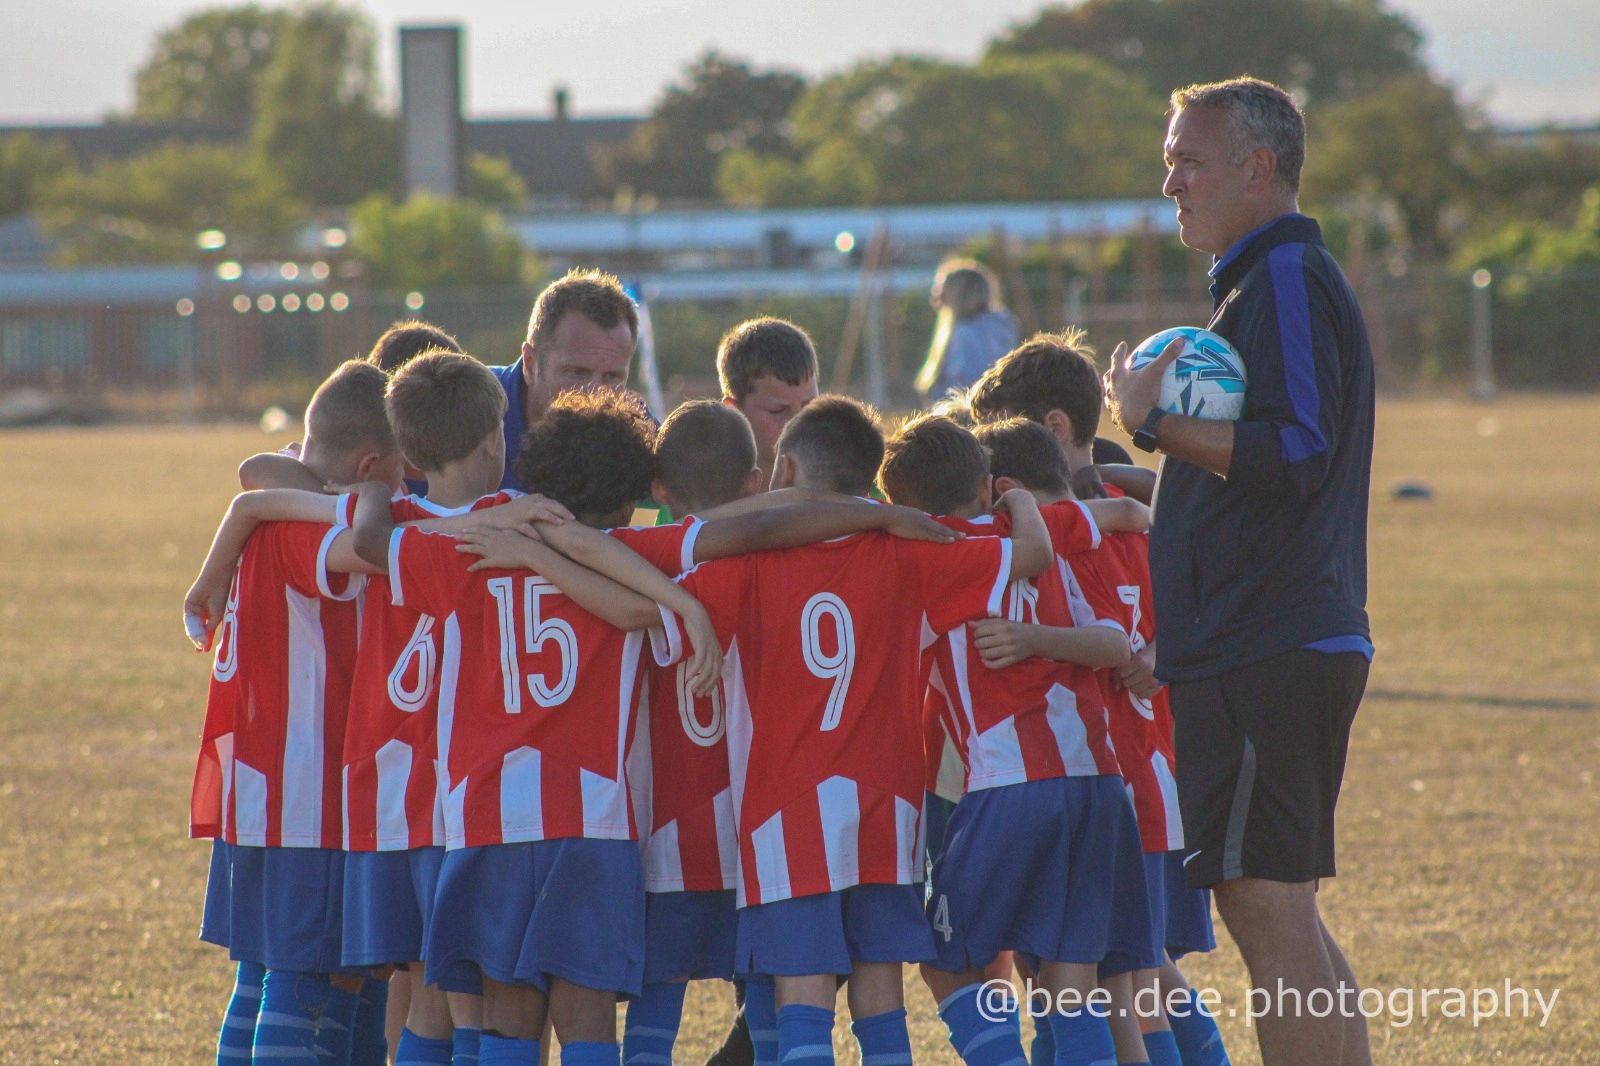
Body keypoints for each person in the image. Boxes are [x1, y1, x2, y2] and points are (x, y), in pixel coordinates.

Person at [1103, 77, 1376, 1066]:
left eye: (1187, 159)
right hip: (1263, 641)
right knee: (1280, 905)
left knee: (1263, 905)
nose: (1168, 179)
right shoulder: (1250, 288)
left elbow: (1297, 448)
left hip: (1264, 641)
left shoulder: (1288, 279)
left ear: (1257, 166)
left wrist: (1151, 422)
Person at [659, 397, 1052, 1066]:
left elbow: (654, 602)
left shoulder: (745, 563)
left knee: (802, 992)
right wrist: (1021, 506)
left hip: (784, 809)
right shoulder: (911, 552)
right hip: (887, 807)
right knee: (879, 989)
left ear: (784, 468)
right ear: (869, 481)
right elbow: (1025, 560)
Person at [971, 339, 1231, 1066]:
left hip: (1103, 783)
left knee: (1109, 982)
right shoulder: (1144, 511)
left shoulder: (1057, 534)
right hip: (1148, 782)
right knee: (1130, 971)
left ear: (1051, 431)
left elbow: (1117, 644)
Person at [878, 414, 1151, 1066]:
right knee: (1070, 985)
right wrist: (1028, 503)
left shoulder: (921, 556)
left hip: (1011, 788)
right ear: (986, 488)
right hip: (1099, 785)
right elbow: (1130, 521)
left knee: (941, 961)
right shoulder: (1040, 534)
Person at [183, 360, 406, 1065]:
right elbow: (382, 546)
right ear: (372, 464)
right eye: (407, 470)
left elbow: (260, 472)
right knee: (308, 984)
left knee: (283, 978)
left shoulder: (280, 502)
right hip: (308, 799)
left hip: (265, 790)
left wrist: (244, 510)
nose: (410, 485)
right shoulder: (311, 531)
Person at [490, 268, 639, 491]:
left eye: (612, 377)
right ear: (530, 363)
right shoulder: (462, 409)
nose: (595, 395)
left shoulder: (640, 435)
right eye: (578, 373)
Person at [716, 317, 821, 487]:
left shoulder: (851, 481)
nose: (798, 423)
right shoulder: (699, 492)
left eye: (809, 406)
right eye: (778, 410)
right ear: (734, 413)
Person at [915, 259, 1018, 401]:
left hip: (966, 412)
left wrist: (938, 396)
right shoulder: (1000, 325)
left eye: (944, 289)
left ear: (960, 293)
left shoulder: (965, 333)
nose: (937, 296)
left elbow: (966, 381)